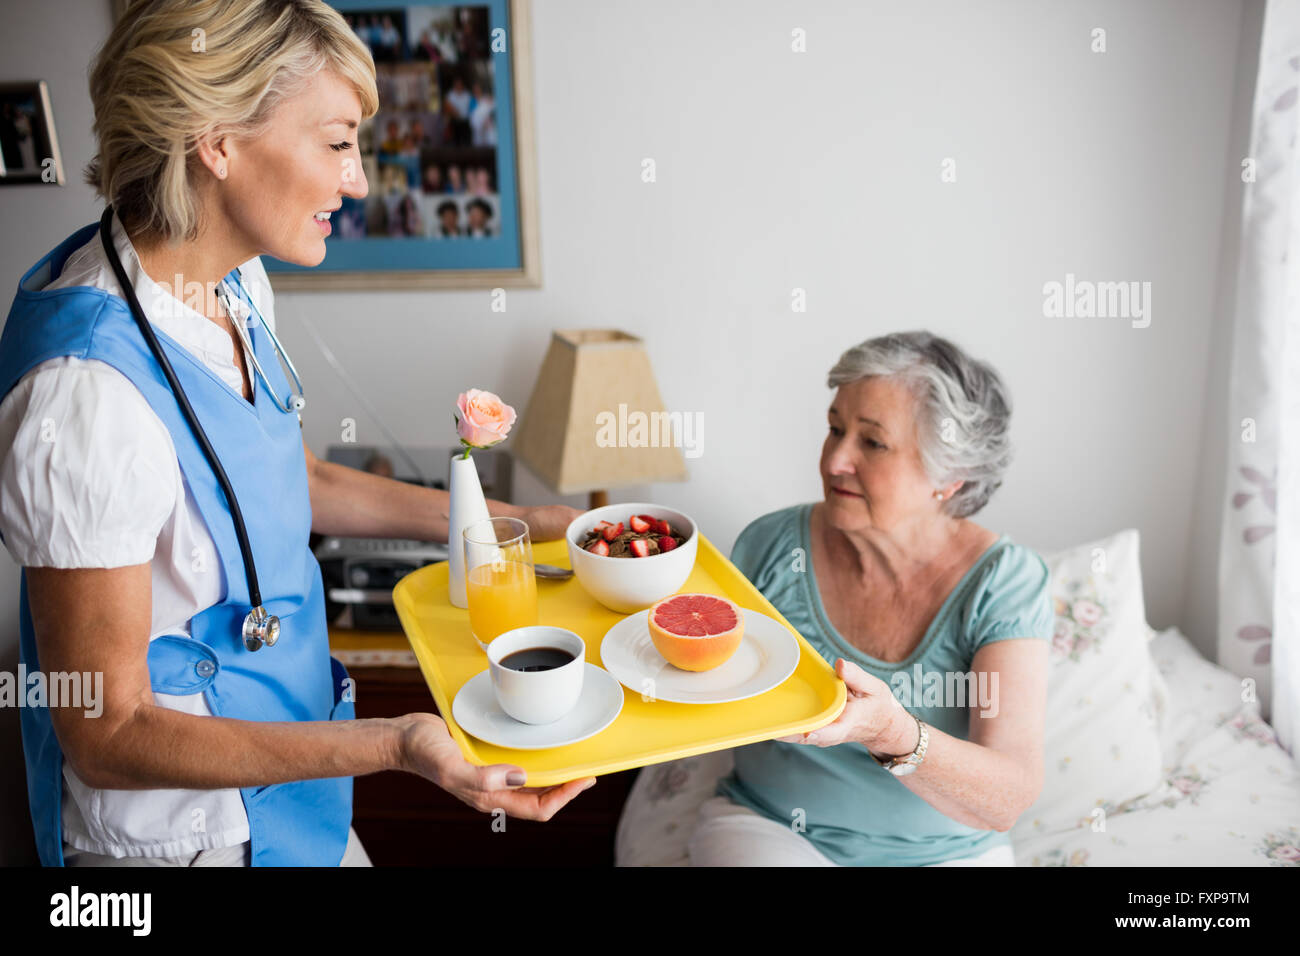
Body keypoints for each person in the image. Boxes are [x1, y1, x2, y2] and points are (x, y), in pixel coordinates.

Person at [0, 0, 591, 869]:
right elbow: (106, 732)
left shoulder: (234, 283)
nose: (357, 181)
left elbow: (288, 474)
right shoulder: (85, 398)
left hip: (293, 791)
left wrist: (510, 521)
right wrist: (395, 744)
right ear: (218, 140)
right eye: (338, 141)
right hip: (182, 843)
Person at [642, 331, 1054, 866]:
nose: (836, 459)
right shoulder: (771, 546)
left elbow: (1008, 797)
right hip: (773, 831)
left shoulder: (1005, 582)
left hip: (947, 853)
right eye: (835, 429)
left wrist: (893, 733)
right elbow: (691, 675)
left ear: (949, 476)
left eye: (873, 442)